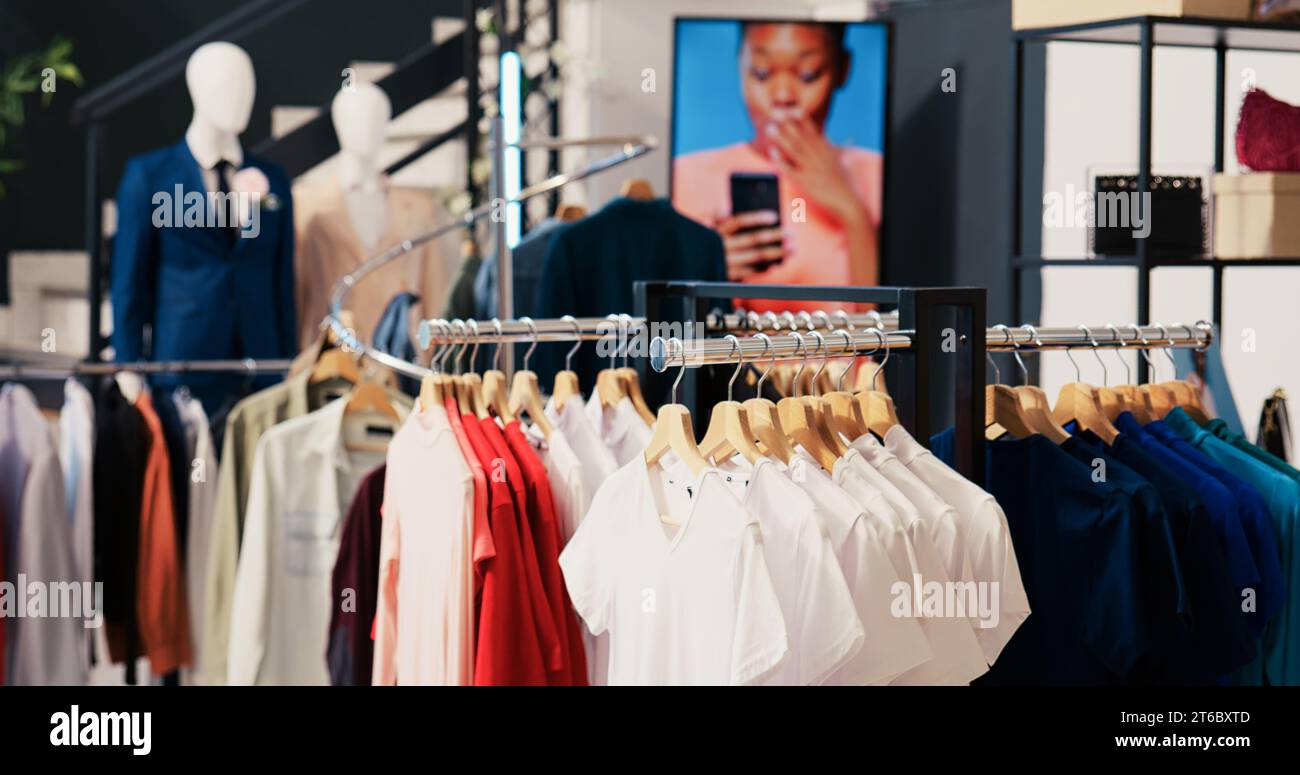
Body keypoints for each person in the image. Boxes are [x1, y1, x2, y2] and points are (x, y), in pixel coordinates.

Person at [674, 21, 882, 312]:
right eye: (761, 73)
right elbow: (666, 333)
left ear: (843, 68)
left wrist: (853, 214)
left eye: (808, 75)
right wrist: (709, 274)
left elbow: (880, 343)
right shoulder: (684, 177)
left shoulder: (877, 174)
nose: (782, 96)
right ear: (739, 65)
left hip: (843, 359)